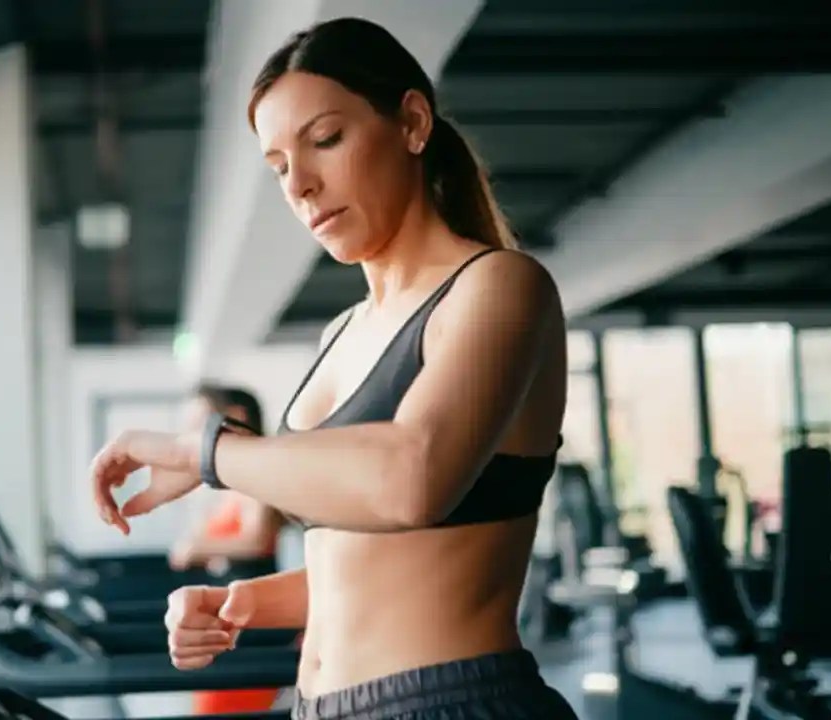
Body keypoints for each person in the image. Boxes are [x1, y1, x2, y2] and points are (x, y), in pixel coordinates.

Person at [89, 16, 577, 720]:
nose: (301, 185)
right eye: (279, 166)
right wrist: (242, 602)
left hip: (448, 703)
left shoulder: (499, 287)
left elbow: (411, 479)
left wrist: (205, 452)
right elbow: (365, 566)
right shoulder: (342, 332)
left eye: (324, 140)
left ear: (412, 123)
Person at [168, 384, 285, 576]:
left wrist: (196, 548)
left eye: (200, 425)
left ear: (236, 416)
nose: (193, 437)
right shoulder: (228, 478)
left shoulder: (258, 471)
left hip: (253, 581)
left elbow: (257, 541)